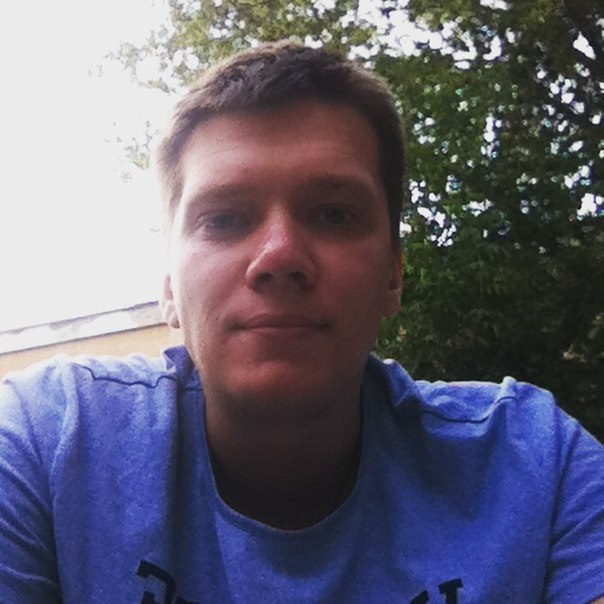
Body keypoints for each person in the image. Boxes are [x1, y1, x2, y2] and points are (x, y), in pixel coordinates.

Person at [0, 41, 602, 604]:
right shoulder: (47, 445)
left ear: (393, 273)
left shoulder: (535, 465)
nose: (279, 255)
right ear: (169, 289)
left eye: (334, 214)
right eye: (224, 219)